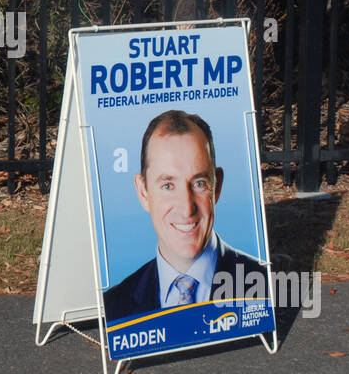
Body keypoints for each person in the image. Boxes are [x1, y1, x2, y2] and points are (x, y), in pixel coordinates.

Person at [103, 110, 268, 325]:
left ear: (217, 186)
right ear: (143, 192)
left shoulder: (264, 286)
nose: (186, 208)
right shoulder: (116, 304)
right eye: (168, 185)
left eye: (199, 183)